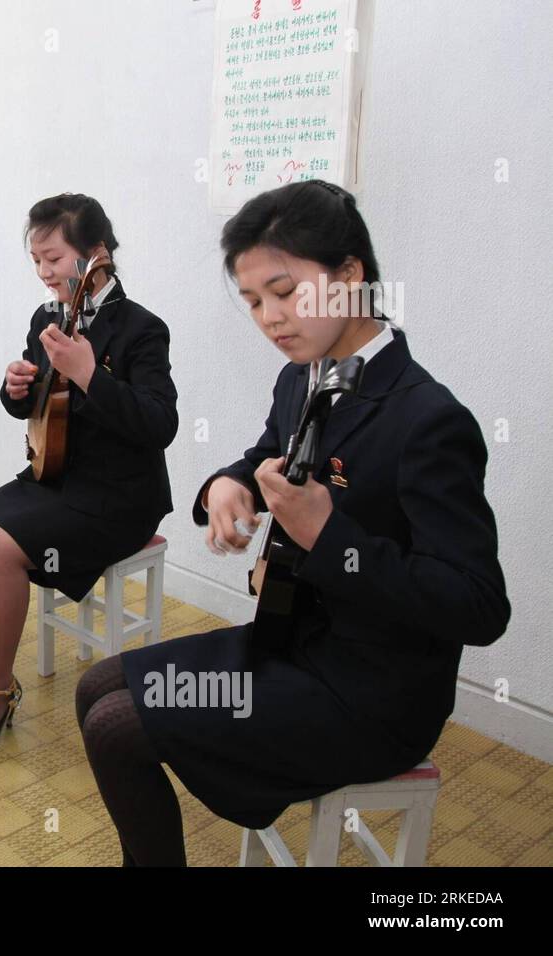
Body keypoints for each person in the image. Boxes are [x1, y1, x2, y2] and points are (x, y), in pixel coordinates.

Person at [76, 180, 510, 865]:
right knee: (95, 687)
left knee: (117, 726)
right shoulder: (304, 375)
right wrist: (228, 483)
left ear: (348, 276)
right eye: (253, 302)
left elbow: (480, 607)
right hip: (292, 639)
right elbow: (268, 456)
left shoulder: (428, 420)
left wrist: (329, 537)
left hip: (373, 693)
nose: (270, 318)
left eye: (284, 292)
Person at [0, 193, 178, 756]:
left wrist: (90, 375)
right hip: (54, 475)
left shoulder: (142, 329)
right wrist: (14, 388)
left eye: (54, 258)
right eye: (36, 260)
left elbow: (160, 424)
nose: (44, 272)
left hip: (119, 494)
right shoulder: (48, 317)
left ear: (96, 254)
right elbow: (39, 410)